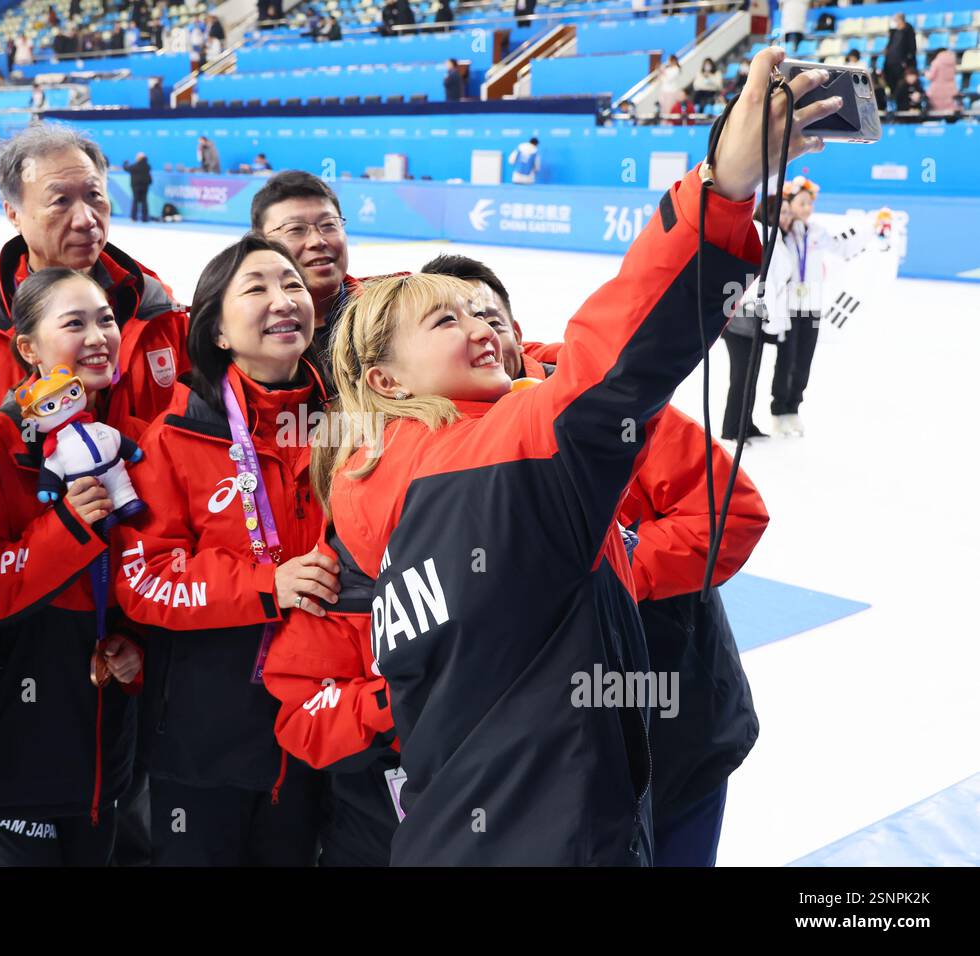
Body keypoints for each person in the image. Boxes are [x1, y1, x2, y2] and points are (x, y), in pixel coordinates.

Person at [291, 49, 837, 865]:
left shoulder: (374, 482)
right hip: (551, 834)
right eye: (445, 322)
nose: (481, 328)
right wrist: (721, 190)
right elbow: (611, 359)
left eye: (484, 310)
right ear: (384, 378)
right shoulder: (492, 456)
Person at [111, 234, 332, 865]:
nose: (282, 299)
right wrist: (268, 584)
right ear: (217, 332)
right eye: (256, 288)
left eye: (291, 285)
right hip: (206, 738)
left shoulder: (349, 426)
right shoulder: (175, 438)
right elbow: (144, 581)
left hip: (320, 726)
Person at [0, 267, 145, 867]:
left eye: (107, 319)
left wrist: (131, 649)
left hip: (98, 761)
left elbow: (139, 577)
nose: (99, 336)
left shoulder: (121, 441)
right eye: (75, 323)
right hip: (13, 758)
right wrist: (64, 531)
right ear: (28, 349)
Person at [0, 124, 190, 418]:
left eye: (94, 195)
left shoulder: (155, 307)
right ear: (13, 214)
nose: (85, 220)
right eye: (61, 201)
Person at [250, 170, 389, 375]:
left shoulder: (387, 316)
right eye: (295, 229)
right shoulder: (242, 333)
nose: (317, 241)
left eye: (328, 225)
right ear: (259, 243)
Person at [770, 176, 868, 437]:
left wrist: (873, 231)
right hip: (788, 309)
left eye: (810, 204)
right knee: (786, 361)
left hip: (811, 308)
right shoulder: (782, 233)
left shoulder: (817, 232)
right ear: (790, 205)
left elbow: (843, 248)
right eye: (802, 203)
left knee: (804, 361)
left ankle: (793, 409)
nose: (807, 208)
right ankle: (778, 411)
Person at [722, 195, 790, 443]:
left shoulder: (775, 235)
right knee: (742, 376)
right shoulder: (765, 234)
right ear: (769, 212)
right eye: (782, 212)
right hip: (746, 316)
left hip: (754, 316)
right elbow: (767, 282)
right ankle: (732, 428)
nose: (786, 218)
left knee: (749, 375)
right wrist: (773, 319)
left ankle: (745, 424)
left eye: (787, 213)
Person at [883, 12, 916, 93]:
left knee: (901, 86)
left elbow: (912, 48)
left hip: (901, 64)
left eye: (896, 20)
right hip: (890, 63)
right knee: (891, 84)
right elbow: (889, 45)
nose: (895, 22)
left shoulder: (908, 30)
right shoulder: (894, 32)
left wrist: (906, 61)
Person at [925, 48, 958, 113]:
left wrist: (926, 73)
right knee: (949, 110)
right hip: (951, 88)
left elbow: (931, 76)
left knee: (937, 110)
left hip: (937, 89)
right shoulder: (953, 62)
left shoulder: (936, 62)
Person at [123, 151, 153, 222]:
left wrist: (125, 164)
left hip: (136, 186)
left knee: (135, 201)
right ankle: (144, 218)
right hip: (145, 186)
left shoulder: (136, 166)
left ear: (139, 158)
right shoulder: (147, 166)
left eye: (137, 157)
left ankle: (133, 218)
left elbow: (127, 168)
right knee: (144, 201)